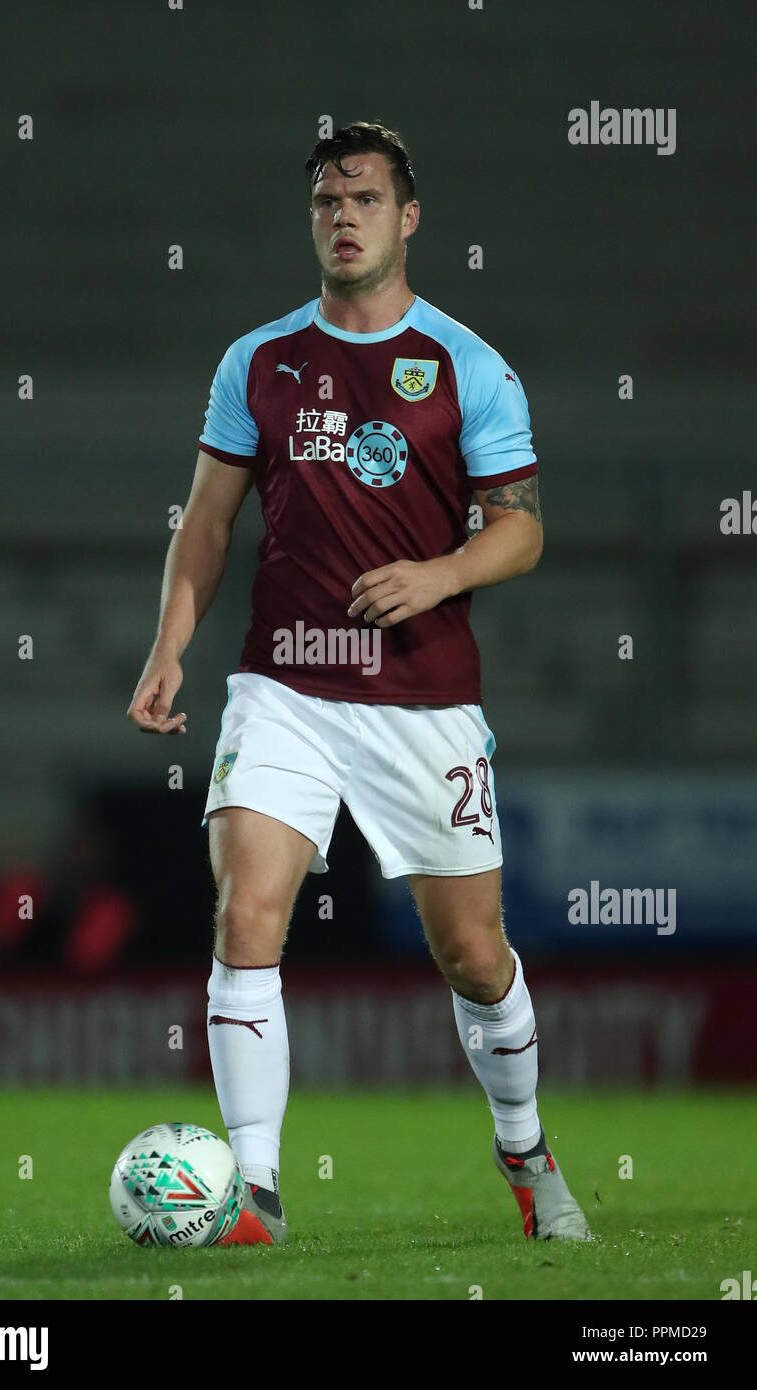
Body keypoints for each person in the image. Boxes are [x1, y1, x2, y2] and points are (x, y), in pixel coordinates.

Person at [128, 121, 591, 1246]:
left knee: (473, 957)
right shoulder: (259, 361)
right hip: (282, 686)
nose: (343, 216)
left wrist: (437, 573)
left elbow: (519, 534)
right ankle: (254, 1193)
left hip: (422, 700)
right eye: (327, 200)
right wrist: (167, 646)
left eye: (366, 198)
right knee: (245, 909)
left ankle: (524, 1152)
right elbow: (206, 524)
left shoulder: (468, 365)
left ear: (407, 216)